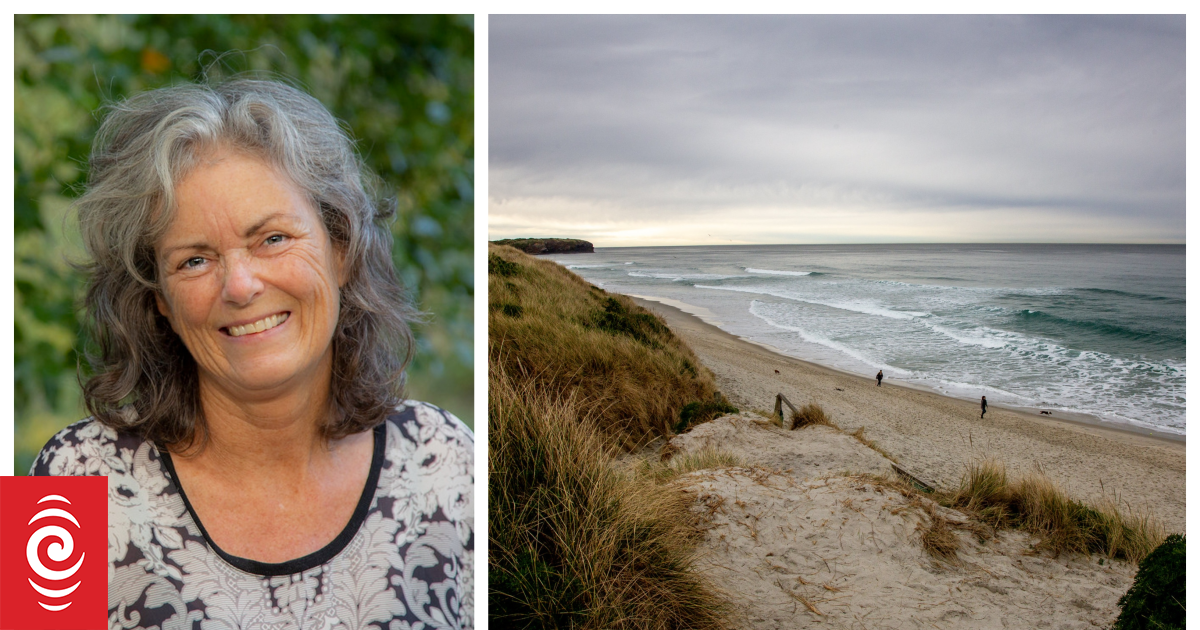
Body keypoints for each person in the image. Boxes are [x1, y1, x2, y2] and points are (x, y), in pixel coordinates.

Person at [31, 80, 473, 629]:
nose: (240, 286)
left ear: (341, 250)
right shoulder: (67, 484)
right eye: (194, 260)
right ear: (159, 299)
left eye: (272, 239)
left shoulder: (448, 461)